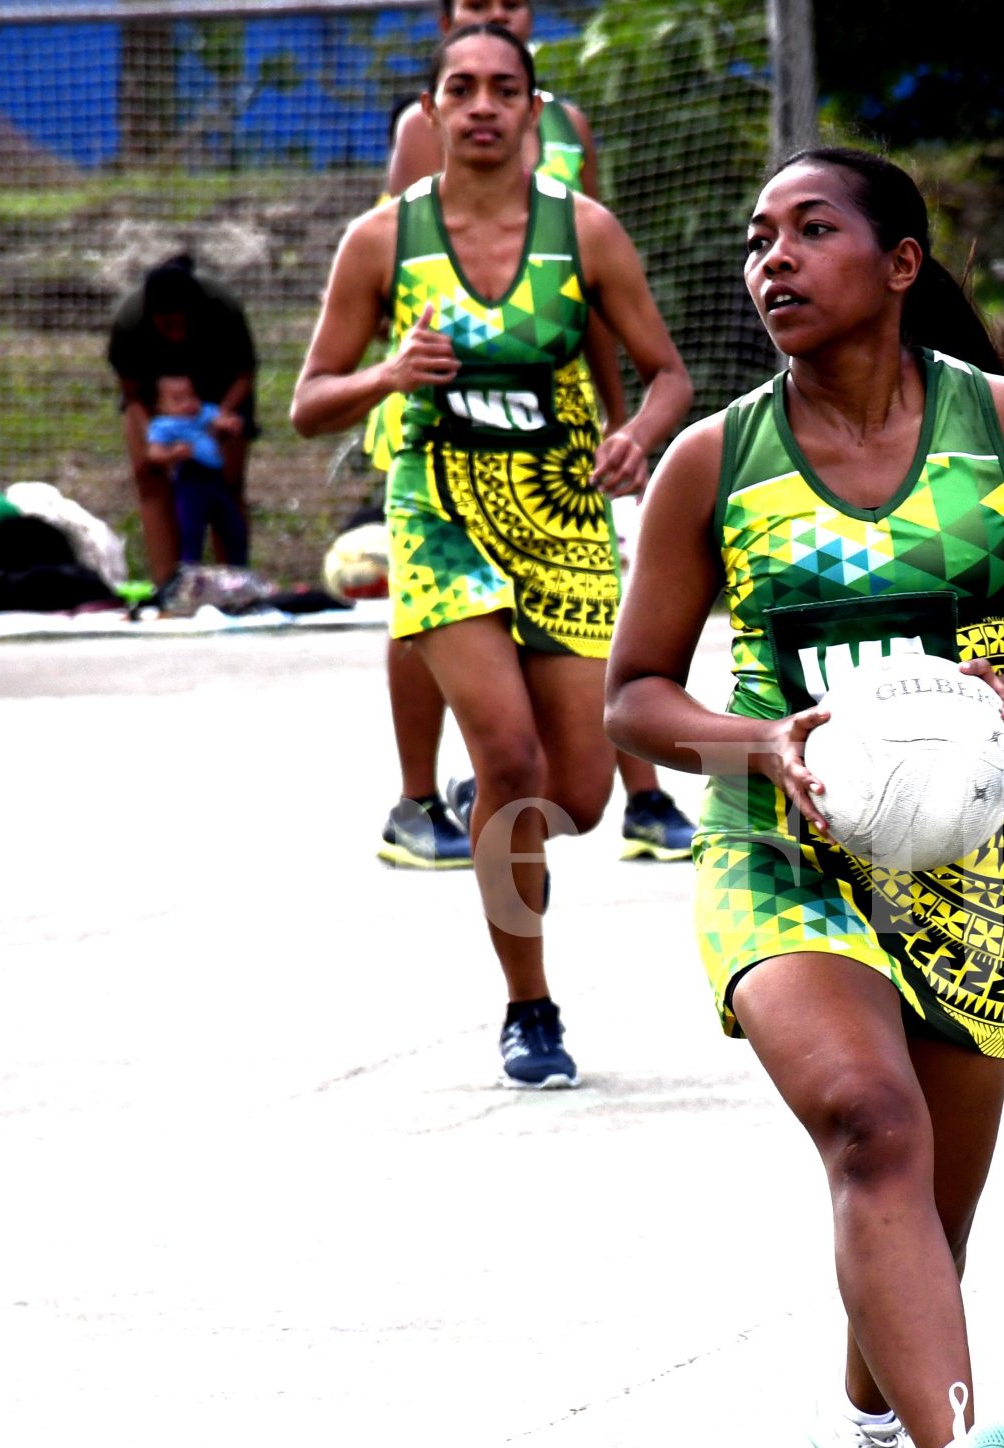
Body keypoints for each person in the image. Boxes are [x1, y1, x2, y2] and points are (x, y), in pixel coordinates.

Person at [604, 148, 1004, 1448]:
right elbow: (634, 697)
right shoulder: (713, 459)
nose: (771, 259)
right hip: (773, 842)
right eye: (755, 239)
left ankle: (864, 1425)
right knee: (868, 1118)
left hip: (965, 856)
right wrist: (750, 740)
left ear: (901, 262)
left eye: (811, 230)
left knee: (920, 1206)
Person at [291, 22, 693, 1087]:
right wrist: (385, 377)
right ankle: (530, 1009)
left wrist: (636, 438)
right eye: (459, 89)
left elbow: (667, 375)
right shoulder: (382, 240)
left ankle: (489, 819)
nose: (479, 106)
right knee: (511, 760)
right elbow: (306, 403)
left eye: (501, 90)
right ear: (429, 113)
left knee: (581, 797)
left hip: (560, 512)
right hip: (440, 508)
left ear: (531, 112)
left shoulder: (585, 232)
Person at [368, 0, 697, 872]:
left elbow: (584, 288)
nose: (494, 12)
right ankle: (419, 794)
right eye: (475, 6)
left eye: (507, 3)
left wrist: (618, 413)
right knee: (430, 613)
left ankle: (621, 792)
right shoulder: (416, 149)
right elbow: (401, 262)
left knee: (566, 753)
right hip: (436, 412)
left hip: (553, 433)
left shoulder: (569, 146)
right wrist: (395, 372)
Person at [106, 257, 256, 583]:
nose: (174, 334)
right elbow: (132, 394)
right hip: (153, 399)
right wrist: (156, 439)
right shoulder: (130, 322)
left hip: (220, 391)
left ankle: (234, 583)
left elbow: (244, 376)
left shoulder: (222, 309)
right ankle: (169, 585)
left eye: (180, 324)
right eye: (165, 326)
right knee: (150, 476)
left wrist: (218, 420)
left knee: (225, 483)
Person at [143, 373, 250, 568]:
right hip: (190, 481)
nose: (187, 404)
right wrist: (173, 453)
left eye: (191, 396)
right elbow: (154, 454)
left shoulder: (205, 414)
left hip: (215, 481)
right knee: (191, 531)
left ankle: (239, 570)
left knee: (234, 528)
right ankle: (189, 575)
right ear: (161, 406)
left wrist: (230, 424)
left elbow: (223, 418)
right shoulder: (163, 426)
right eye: (177, 400)